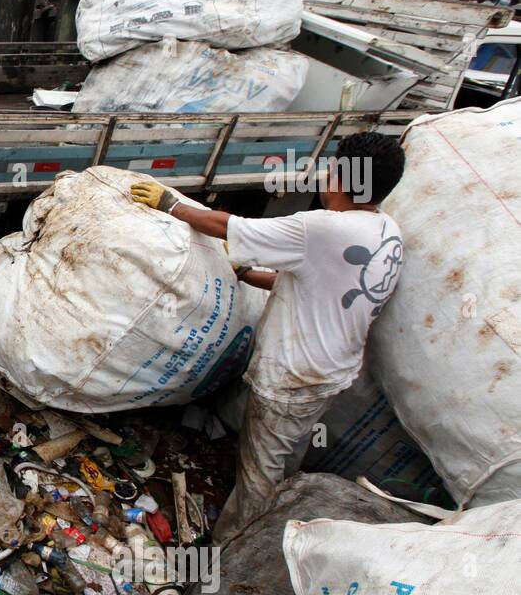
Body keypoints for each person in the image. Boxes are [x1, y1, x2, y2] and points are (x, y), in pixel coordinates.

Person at [130, 131, 406, 541]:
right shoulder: (386, 230)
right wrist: (243, 273)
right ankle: (278, 506)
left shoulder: (322, 228)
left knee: (257, 476)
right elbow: (300, 282)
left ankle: (230, 556)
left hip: (292, 380)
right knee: (284, 457)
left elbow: (230, 227)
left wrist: (171, 203)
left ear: (343, 178)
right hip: (330, 375)